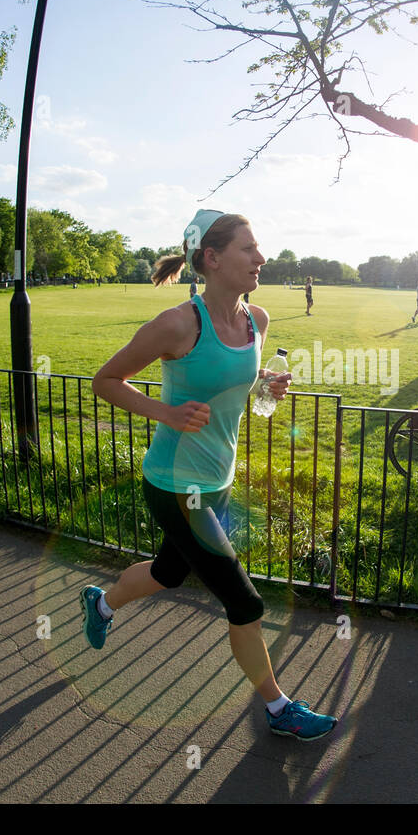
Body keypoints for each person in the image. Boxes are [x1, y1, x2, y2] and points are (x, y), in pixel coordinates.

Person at [83, 209, 337, 742]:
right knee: (244, 601)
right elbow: (105, 381)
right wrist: (166, 413)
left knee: (166, 574)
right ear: (213, 258)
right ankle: (277, 708)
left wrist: (267, 384)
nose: (261, 259)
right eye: (249, 249)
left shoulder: (256, 321)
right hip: (176, 487)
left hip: (217, 481)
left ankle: (101, 604)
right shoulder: (179, 324)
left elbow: (238, 383)